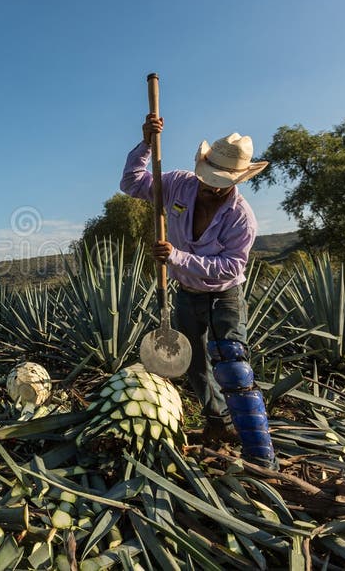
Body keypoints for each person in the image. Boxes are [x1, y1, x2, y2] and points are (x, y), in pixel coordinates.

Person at [121, 113, 278, 469]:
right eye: (208, 178)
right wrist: (145, 143)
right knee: (191, 361)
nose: (210, 187)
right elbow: (131, 183)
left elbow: (231, 267)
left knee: (232, 363)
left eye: (219, 183)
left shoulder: (241, 217)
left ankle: (259, 453)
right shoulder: (178, 184)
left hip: (224, 294)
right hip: (186, 291)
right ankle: (217, 423)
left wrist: (178, 255)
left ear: (236, 180)